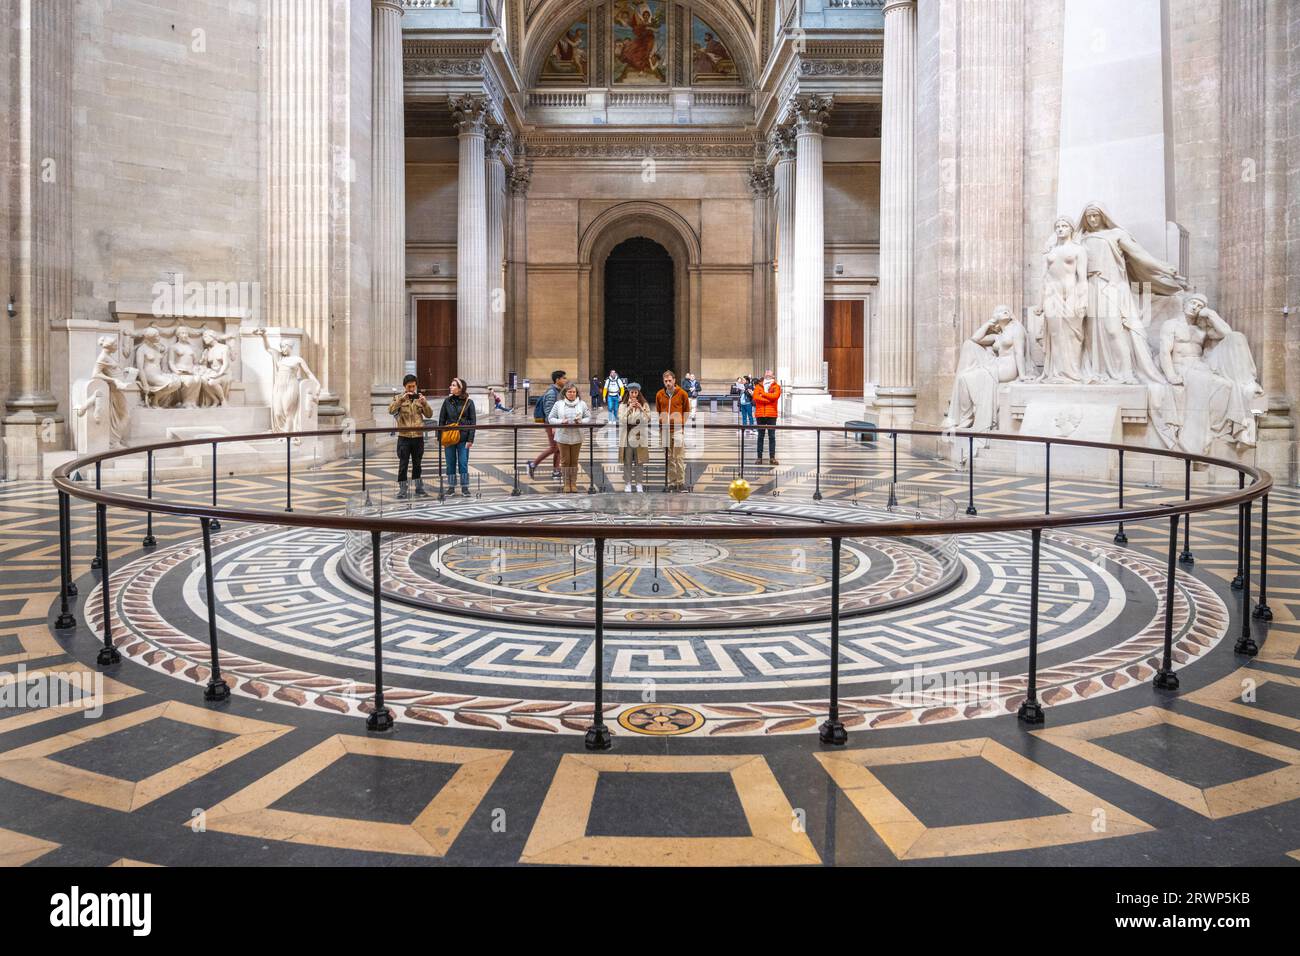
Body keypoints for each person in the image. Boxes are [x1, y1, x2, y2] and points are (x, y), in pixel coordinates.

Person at [387, 374, 432, 498]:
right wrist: (401, 400)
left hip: (418, 437)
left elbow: (429, 414)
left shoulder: (420, 399)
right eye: (409, 387)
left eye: (413, 386)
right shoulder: (399, 398)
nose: (411, 389)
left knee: (417, 464)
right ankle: (402, 489)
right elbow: (390, 410)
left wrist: (425, 404)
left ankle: (419, 488)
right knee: (403, 464)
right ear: (404, 386)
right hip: (404, 437)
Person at [549, 382, 591, 493]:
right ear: (565, 393)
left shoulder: (582, 404)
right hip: (562, 437)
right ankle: (566, 484)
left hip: (577, 436)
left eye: (573, 392)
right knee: (565, 461)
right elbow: (551, 418)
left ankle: (573, 483)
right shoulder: (558, 404)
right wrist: (561, 421)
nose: (572, 394)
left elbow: (588, 417)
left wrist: (581, 421)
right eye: (569, 392)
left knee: (574, 461)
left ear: (576, 393)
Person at [439, 377, 477, 497]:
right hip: (449, 437)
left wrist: (470, 439)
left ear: (460, 388)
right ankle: (451, 487)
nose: (451, 387)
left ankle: (465, 487)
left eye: (454, 385)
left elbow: (473, 422)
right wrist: (440, 438)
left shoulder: (469, 402)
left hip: (464, 437)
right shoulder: (447, 401)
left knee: (463, 463)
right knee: (450, 463)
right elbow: (441, 420)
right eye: (451, 385)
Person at [656, 369, 691, 491]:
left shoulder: (682, 394)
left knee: (679, 456)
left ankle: (681, 482)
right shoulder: (659, 394)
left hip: (677, 430)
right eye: (666, 381)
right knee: (669, 458)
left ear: (674, 380)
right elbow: (659, 411)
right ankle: (671, 482)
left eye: (670, 380)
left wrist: (680, 423)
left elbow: (687, 411)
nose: (668, 383)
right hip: (664, 430)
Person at [528, 370, 567, 479]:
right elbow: (549, 411)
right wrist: (553, 426)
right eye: (563, 378)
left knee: (558, 448)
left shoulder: (559, 391)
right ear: (557, 380)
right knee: (554, 448)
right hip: (552, 424)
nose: (565, 380)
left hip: (557, 424)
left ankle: (556, 470)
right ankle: (533, 464)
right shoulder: (551, 393)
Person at [618, 382, 652, 492]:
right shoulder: (623, 405)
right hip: (627, 435)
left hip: (639, 436)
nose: (633, 394)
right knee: (627, 461)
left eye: (635, 392)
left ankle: (639, 483)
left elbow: (647, 419)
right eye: (632, 392)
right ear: (629, 392)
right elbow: (621, 420)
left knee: (639, 461)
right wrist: (629, 409)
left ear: (638, 393)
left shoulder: (644, 404)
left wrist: (641, 409)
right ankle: (627, 483)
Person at [753, 369, 781, 465]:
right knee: (760, 436)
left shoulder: (776, 386)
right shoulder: (758, 386)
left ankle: (772, 458)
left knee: (772, 437)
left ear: (773, 376)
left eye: (770, 374)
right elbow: (756, 397)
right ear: (764, 375)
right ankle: (759, 458)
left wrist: (764, 394)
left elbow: (775, 396)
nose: (768, 375)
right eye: (766, 373)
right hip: (760, 414)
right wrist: (768, 399)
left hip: (771, 414)